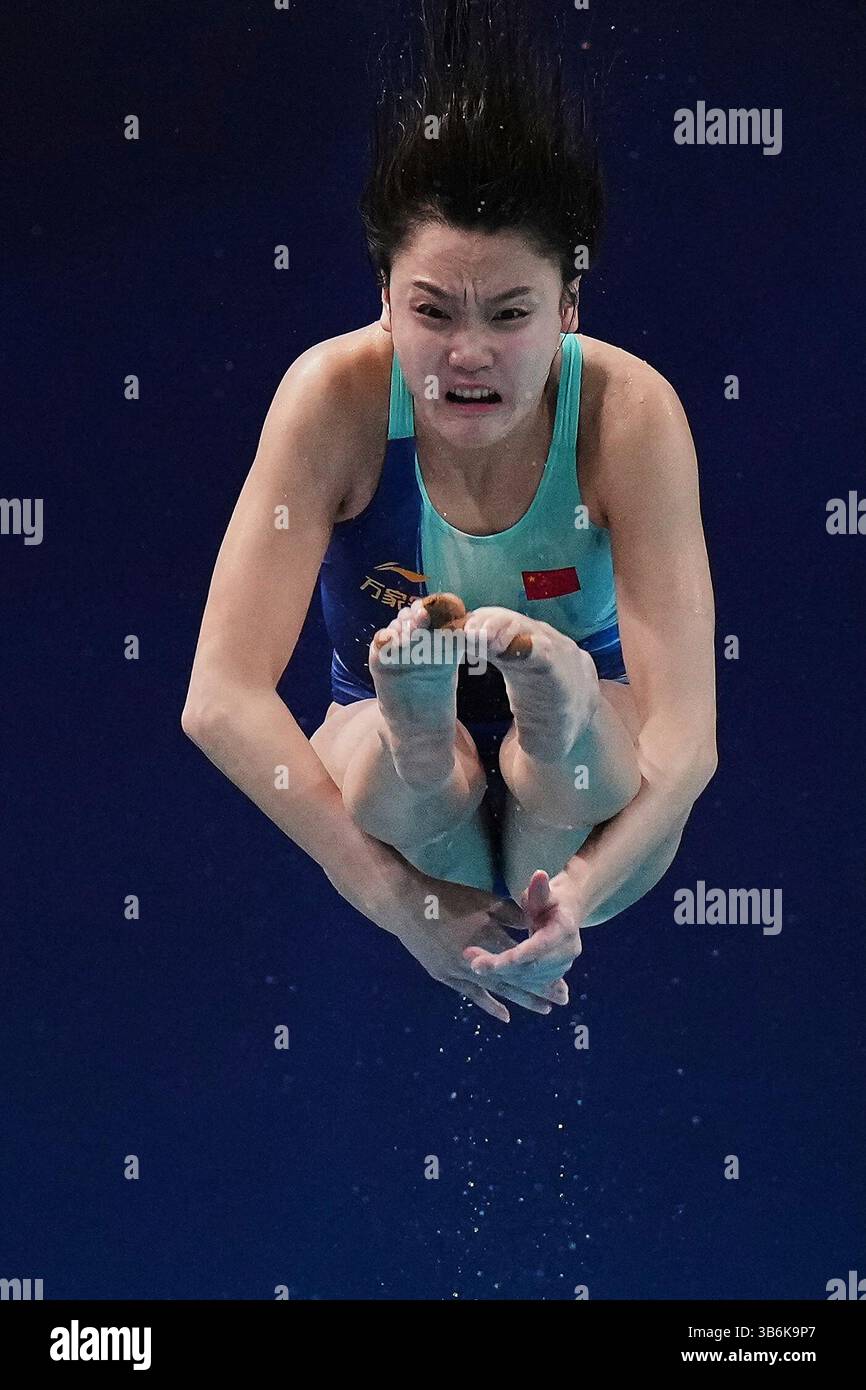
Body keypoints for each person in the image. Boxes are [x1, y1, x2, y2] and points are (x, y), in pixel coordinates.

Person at [181, 0, 717, 1023]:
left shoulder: (628, 412)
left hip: (590, 766)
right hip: (377, 744)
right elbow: (219, 696)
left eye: (510, 315)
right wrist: (401, 903)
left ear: (567, 307)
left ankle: (546, 701)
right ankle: (421, 735)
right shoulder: (331, 399)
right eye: (430, 310)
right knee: (391, 783)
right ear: (382, 295)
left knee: (577, 778)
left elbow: (686, 742)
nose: (467, 353)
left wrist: (573, 909)